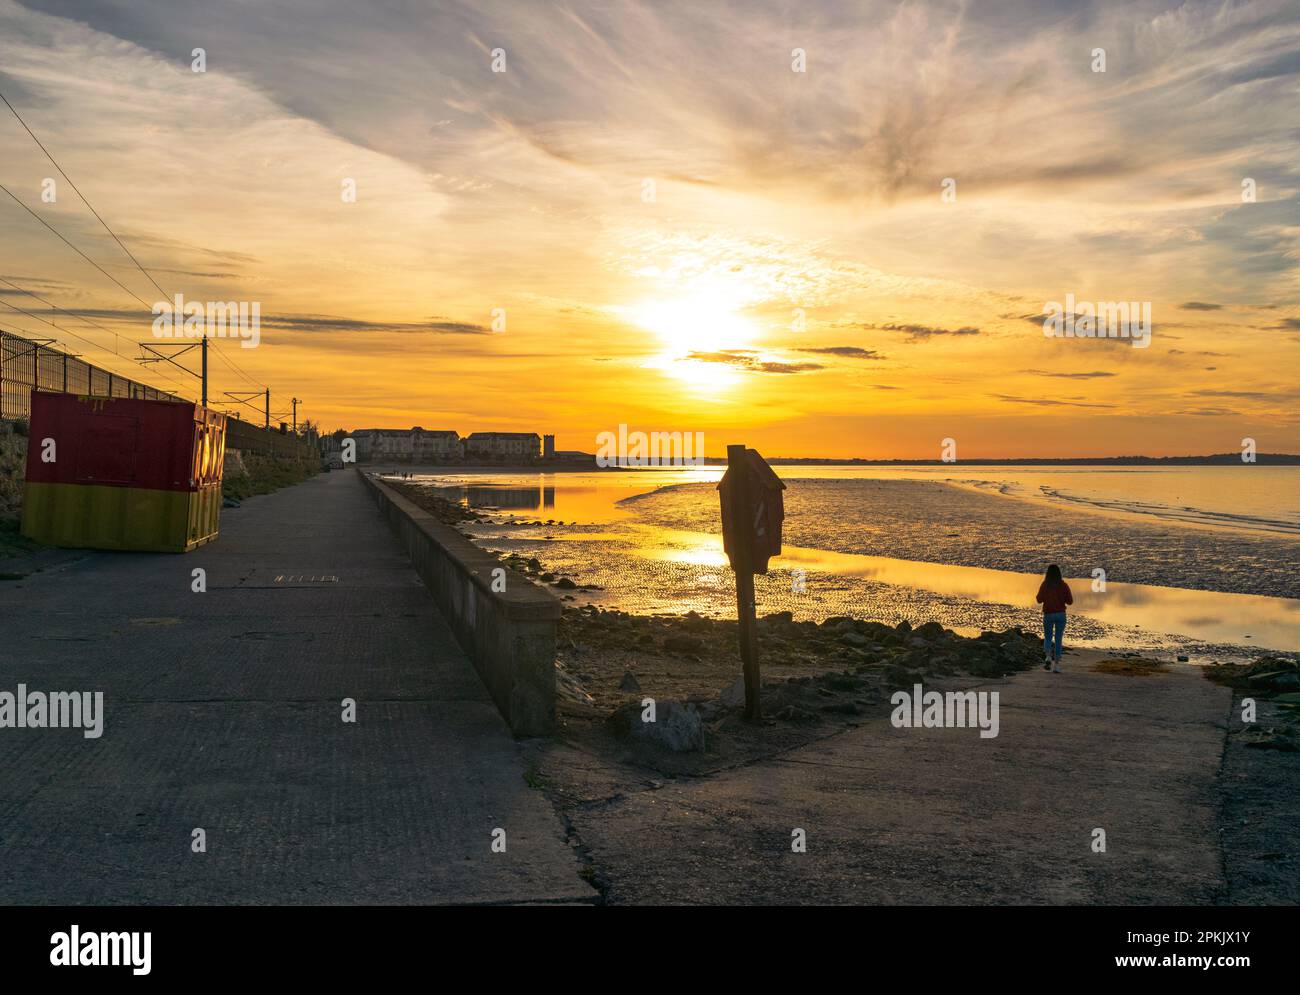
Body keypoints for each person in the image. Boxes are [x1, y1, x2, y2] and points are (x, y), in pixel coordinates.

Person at [1036, 564, 1072, 672]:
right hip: (1060, 614)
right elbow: (1070, 601)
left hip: (1048, 614)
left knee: (1048, 637)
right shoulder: (1063, 585)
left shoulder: (1045, 585)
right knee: (1058, 639)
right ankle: (1056, 665)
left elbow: (1039, 600)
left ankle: (1047, 656)